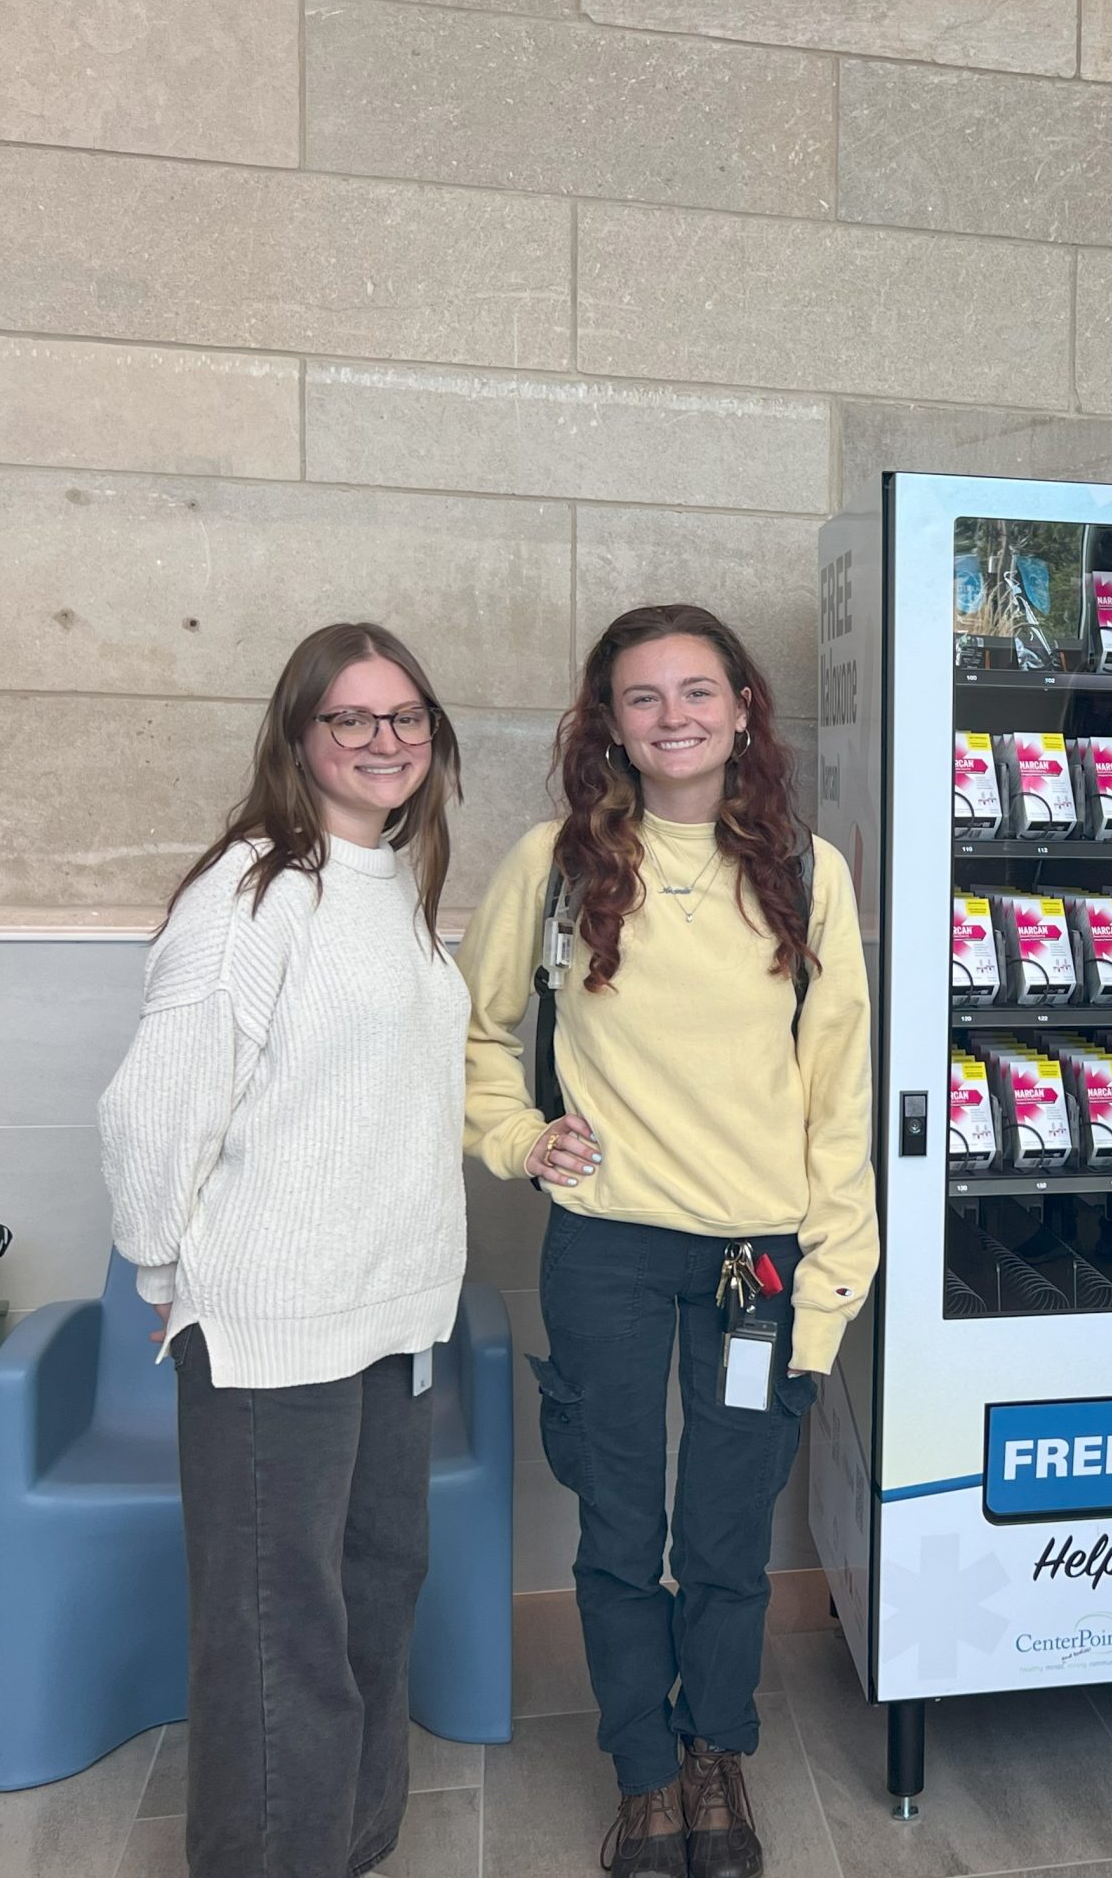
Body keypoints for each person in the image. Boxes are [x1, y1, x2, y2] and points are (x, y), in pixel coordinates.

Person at [459, 604, 877, 1878]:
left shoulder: (808, 872)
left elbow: (838, 1097)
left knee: (726, 1539)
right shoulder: (552, 864)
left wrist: (826, 1291)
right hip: (609, 1257)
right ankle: (643, 1773)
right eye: (644, 698)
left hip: (760, 1263)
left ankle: (716, 1761)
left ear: (745, 709)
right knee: (617, 1530)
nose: (675, 716)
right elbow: (477, 1043)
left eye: (700, 691)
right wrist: (520, 1140)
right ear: (609, 725)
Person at [100, 623, 469, 1878]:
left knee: (376, 1593)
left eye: (404, 717)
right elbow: (155, 1107)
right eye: (351, 720)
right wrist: (165, 1273)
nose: (383, 740)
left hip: (392, 1310)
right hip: (274, 1323)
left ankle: (348, 1847)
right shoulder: (252, 892)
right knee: (278, 1631)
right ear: (297, 737)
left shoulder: (398, 884)